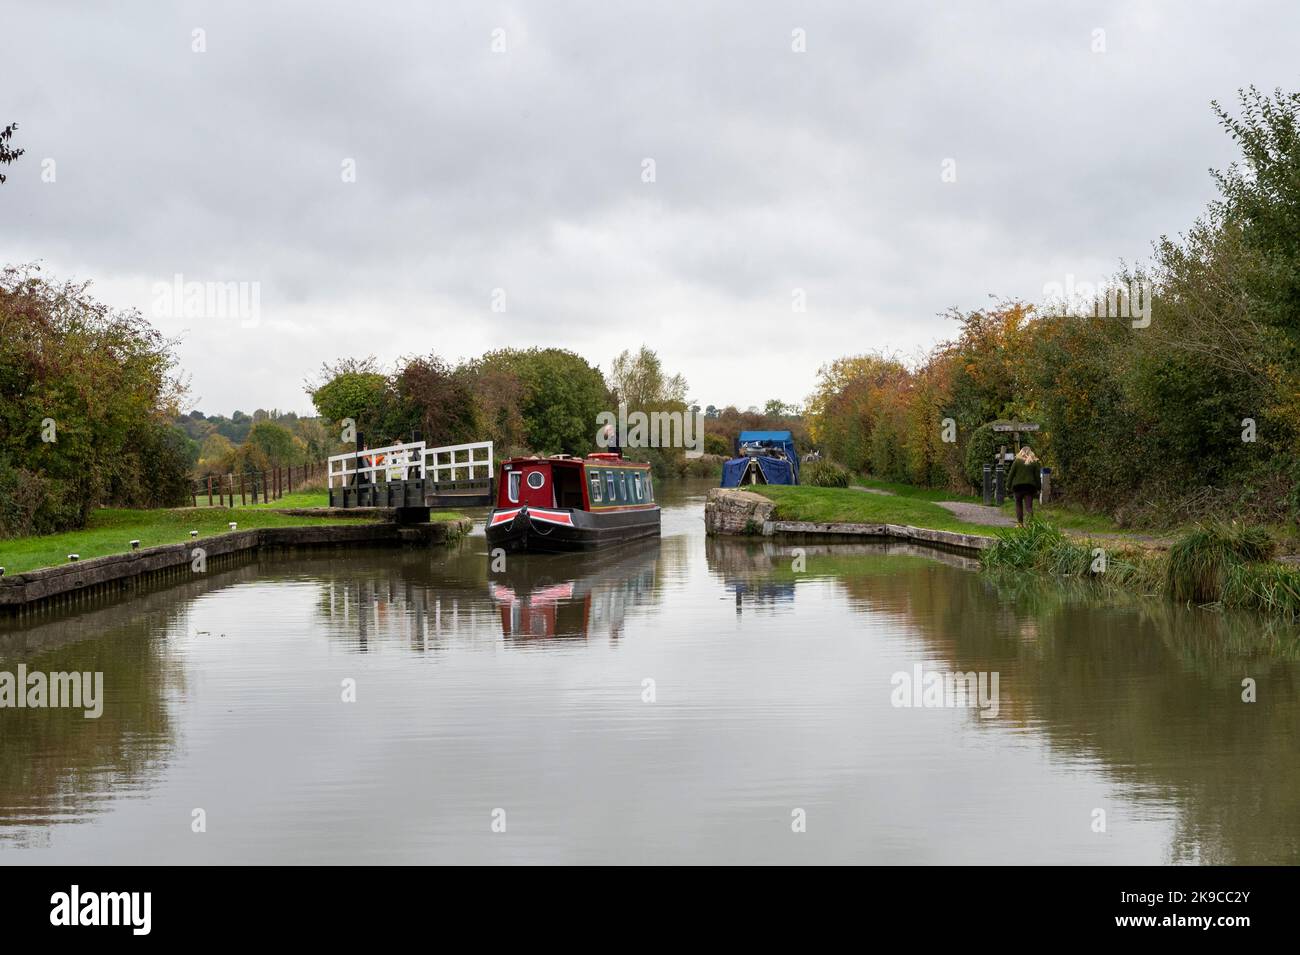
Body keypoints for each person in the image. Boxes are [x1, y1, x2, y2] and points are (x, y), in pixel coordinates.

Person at [1007, 446, 1041, 525]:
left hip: (1018, 487)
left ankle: (1020, 524)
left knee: (1018, 505)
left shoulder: (1017, 461)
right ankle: (1030, 524)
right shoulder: (1034, 463)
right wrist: (1039, 487)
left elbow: (1011, 475)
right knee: (1029, 507)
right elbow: (1037, 477)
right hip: (1029, 488)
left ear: (1021, 452)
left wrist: (1008, 486)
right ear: (1030, 453)